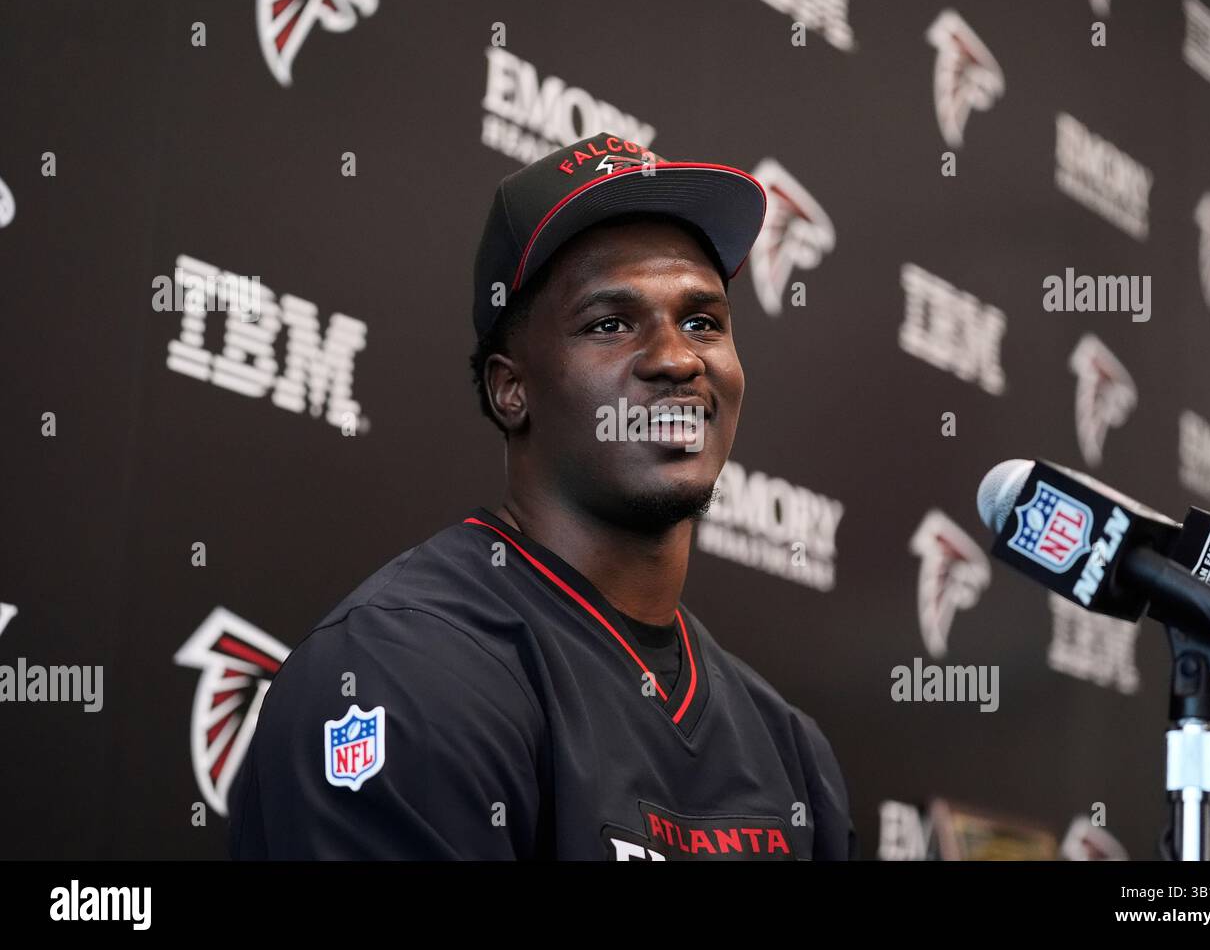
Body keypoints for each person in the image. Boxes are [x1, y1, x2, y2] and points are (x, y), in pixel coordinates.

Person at [227, 131, 858, 860]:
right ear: (511, 388)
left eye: (702, 321)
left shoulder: (791, 755)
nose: (678, 358)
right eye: (611, 323)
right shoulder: (400, 671)